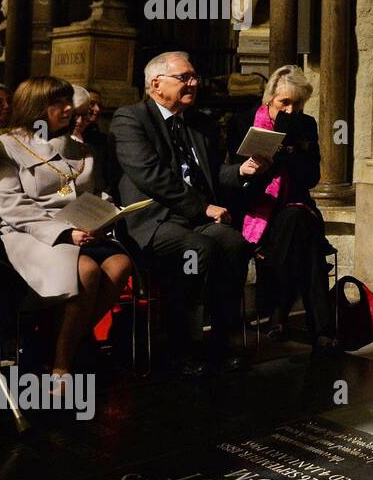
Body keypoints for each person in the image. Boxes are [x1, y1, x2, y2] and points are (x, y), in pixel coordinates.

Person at [110, 51, 269, 374]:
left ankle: (222, 341)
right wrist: (204, 207)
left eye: (194, 77)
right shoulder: (130, 119)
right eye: (184, 77)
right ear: (156, 84)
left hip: (195, 219)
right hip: (153, 220)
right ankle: (183, 348)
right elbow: (151, 175)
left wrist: (242, 171)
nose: (194, 83)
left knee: (234, 243)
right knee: (197, 249)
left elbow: (212, 173)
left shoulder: (199, 123)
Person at [0, 77, 133, 381]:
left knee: (120, 264)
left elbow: (97, 194)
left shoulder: (81, 148)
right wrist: (64, 233)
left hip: (84, 230)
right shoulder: (7, 146)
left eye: (69, 101)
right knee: (86, 271)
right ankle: (62, 363)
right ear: (35, 106)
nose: (69, 108)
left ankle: (53, 342)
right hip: (31, 234)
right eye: (58, 102)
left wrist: (102, 218)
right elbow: (11, 205)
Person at [241, 65, 336, 350]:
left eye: (298, 103)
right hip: (257, 210)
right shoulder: (244, 122)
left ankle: (277, 314)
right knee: (307, 246)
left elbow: (311, 178)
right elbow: (234, 179)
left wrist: (290, 149)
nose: (291, 110)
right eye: (285, 102)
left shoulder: (305, 125)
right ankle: (322, 328)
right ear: (270, 98)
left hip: (296, 206)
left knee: (296, 220)